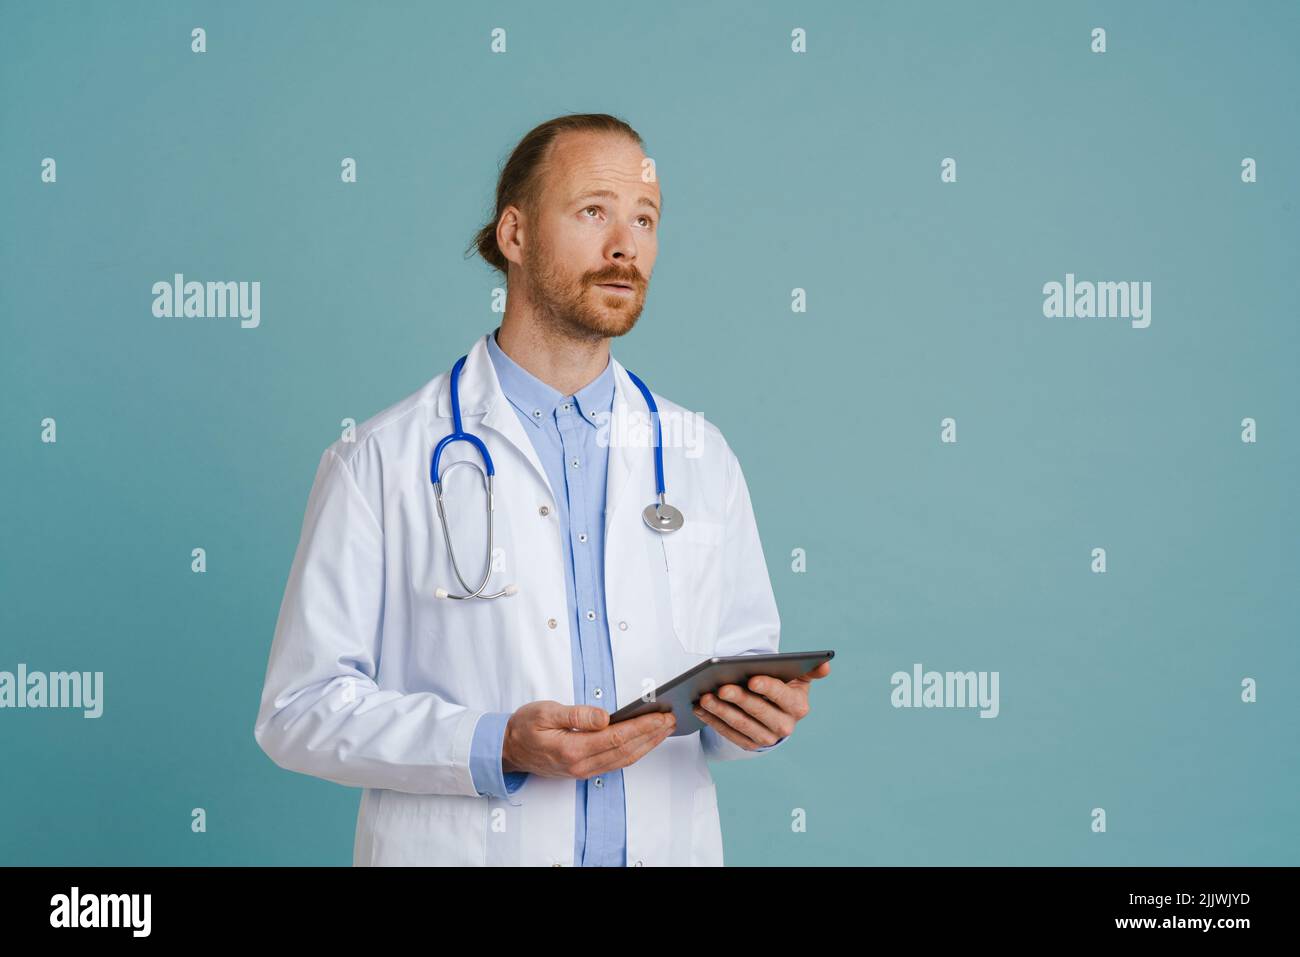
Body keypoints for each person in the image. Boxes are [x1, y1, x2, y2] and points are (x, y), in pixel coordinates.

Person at [254, 113, 831, 866]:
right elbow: (298, 711)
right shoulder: (379, 459)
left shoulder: (699, 454)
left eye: (645, 218)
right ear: (515, 236)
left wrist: (754, 717)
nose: (626, 243)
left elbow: (735, 674)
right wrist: (495, 743)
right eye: (594, 211)